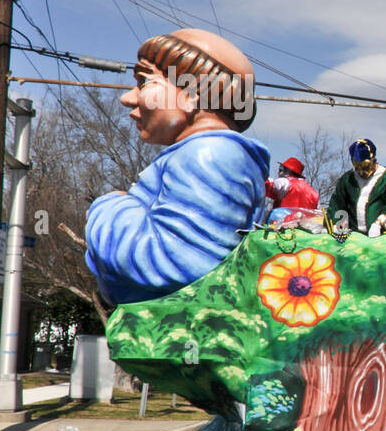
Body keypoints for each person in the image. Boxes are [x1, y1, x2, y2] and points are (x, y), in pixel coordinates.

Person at [85, 28, 269, 306]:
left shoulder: (210, 154)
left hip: (184, 343)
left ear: (194, 92)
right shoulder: (199, 154)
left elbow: (175, 262)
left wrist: (109, 207)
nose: (128, 98)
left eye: (144, 81)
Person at [327, 139, 386, 236]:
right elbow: (337, 204)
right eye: (357, 167)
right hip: (354, 236)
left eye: (365, 167)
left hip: (384, 236)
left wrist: (379, 224)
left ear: (373, 160)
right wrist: (337, 224)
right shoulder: (347, 179)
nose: (361, 172)